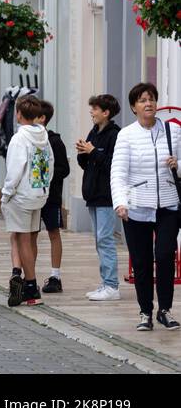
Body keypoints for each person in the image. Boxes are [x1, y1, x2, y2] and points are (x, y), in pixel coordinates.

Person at [110, 82, 181, 331]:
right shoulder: (126, 135)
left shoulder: (172, 132)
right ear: (134, 107)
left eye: (151, 99)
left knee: (164, 256)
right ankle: (145, 312)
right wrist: (120, 202)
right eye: (142, 100)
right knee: (141, 261)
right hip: (137, 205)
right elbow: (118, 172)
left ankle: (165, 309)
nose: (148, 103)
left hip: (168, 204)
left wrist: (178, 164)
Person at [1, 95, 54, 307]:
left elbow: (15, 169)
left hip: (20, 195)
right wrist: (44, 188)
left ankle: (30, 285)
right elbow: (49, 164)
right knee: (29, 239)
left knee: (21, 239)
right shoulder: (44, 137)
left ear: (19, 114)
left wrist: (6, 193)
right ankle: (25, 281)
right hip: (38, 193)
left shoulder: (19, 138)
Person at [76, 94, 122, 301]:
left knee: (105, 240)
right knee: (99, 241)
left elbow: (113, 164)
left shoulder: (115, 135)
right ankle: (105, 283)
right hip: (93, 194)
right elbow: (88, 163)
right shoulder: (94, 131)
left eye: (95, 109)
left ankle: (112, 286)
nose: (91, 112)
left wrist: (93, 151)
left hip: (106, 195)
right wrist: (83, 153)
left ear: (106, 113)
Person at [34, 99, 69, 294]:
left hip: (51, 196)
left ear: (43, 118)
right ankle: (30, 276)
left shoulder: (54, 141)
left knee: (53, 232)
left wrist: (46, 175)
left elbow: (64, 169)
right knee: (31, 234)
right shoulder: (26, 139)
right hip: (30, 196)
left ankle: (55, 275)